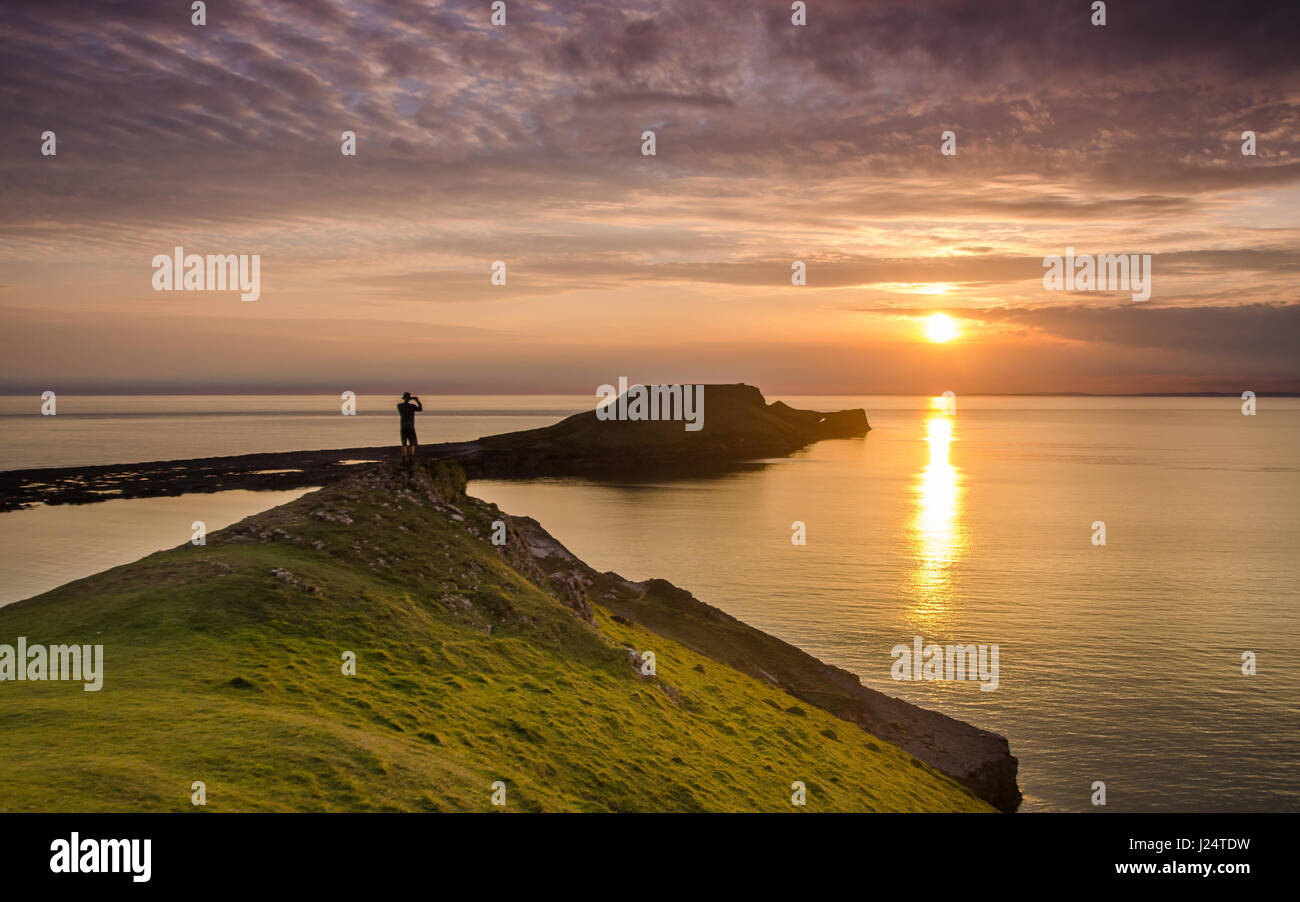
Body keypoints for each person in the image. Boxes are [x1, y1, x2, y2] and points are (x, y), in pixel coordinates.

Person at [397, 392, 423, 463]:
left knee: (404, 444)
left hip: (403, 427)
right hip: (410, 427)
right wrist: (417, 400)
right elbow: (420, 409)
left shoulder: (399, 406)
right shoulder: (412, 406)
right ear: (409, 398)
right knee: (412, 444)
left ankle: (404, 459)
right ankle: (411, 458)